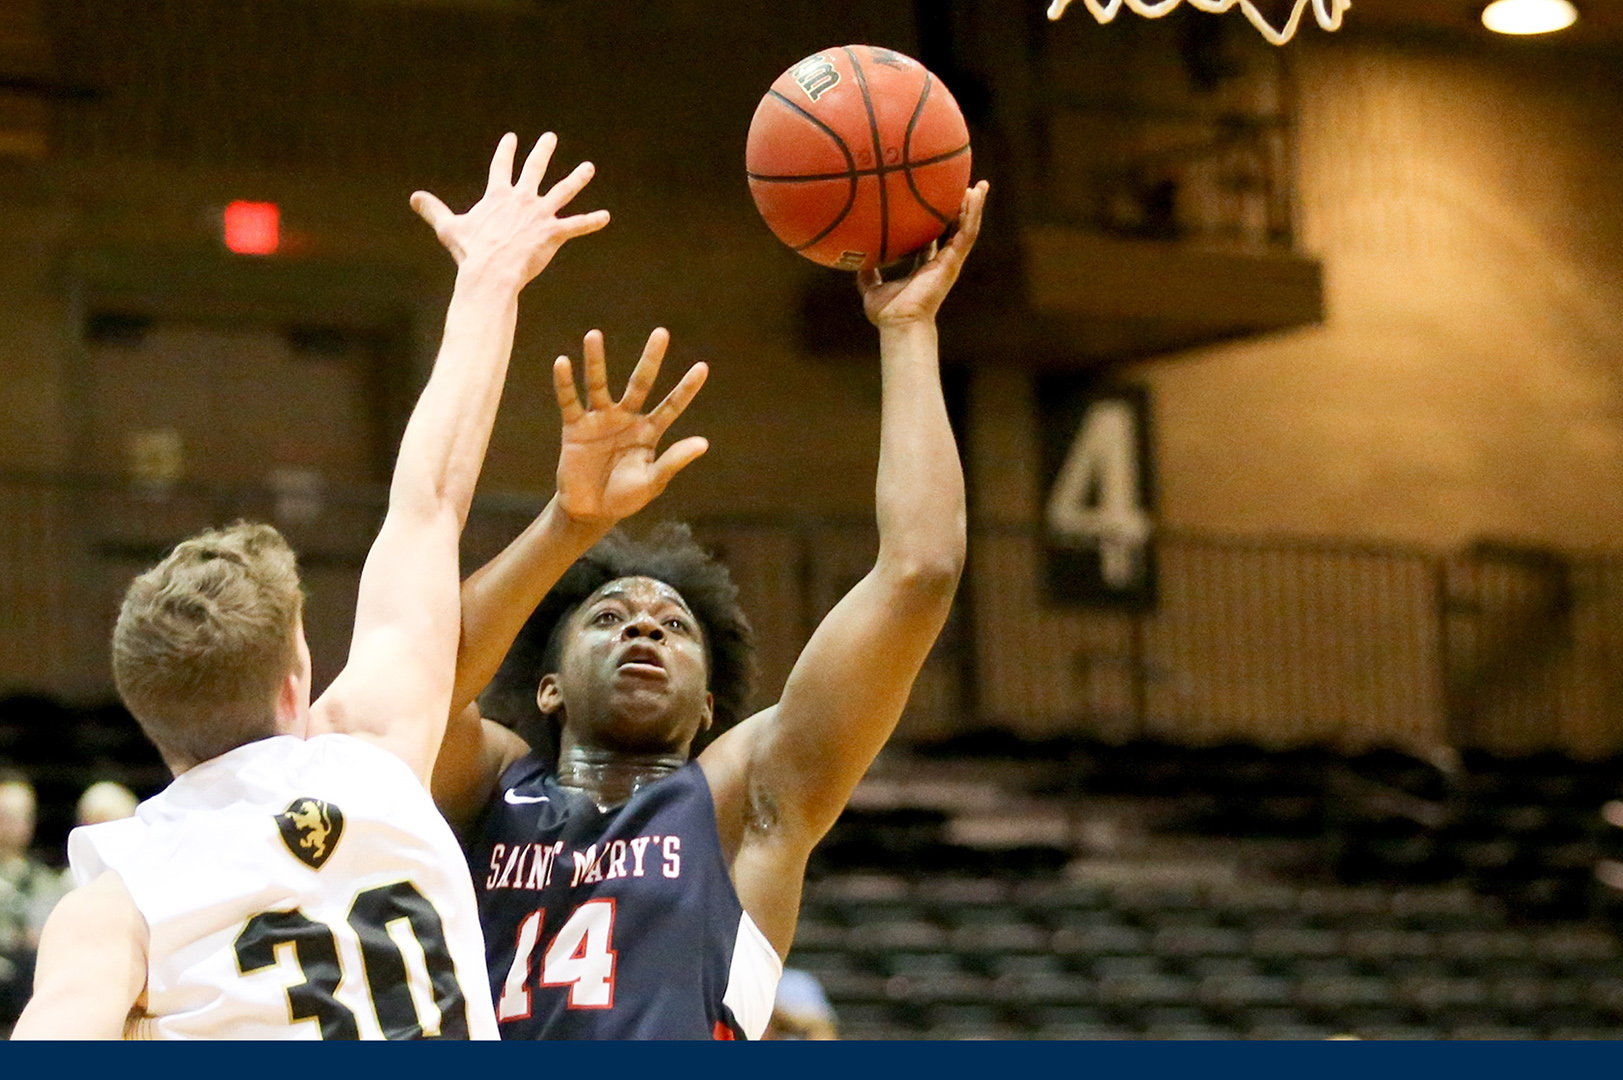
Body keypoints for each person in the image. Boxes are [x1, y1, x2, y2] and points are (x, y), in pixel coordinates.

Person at [13, 132, 611, 1040]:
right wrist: (489, 280)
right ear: (296, 680)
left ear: (145, 709)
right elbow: (430, 501)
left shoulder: (118, 897)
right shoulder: (372, 758)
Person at [430, 181, 988, 1040]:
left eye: (674, 627)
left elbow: (919, 572)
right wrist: (569, 523)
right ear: (548, 687)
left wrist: (908, 329)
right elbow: (424, 673)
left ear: (707, 707)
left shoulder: (742, 801)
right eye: (607, 618)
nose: (643, 627)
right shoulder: (483, 788)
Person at [0, 773, 62, 1030]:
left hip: (29, 1003)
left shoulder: (45, 880)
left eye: (23, 816)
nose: (16, 824)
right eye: (7, 815)